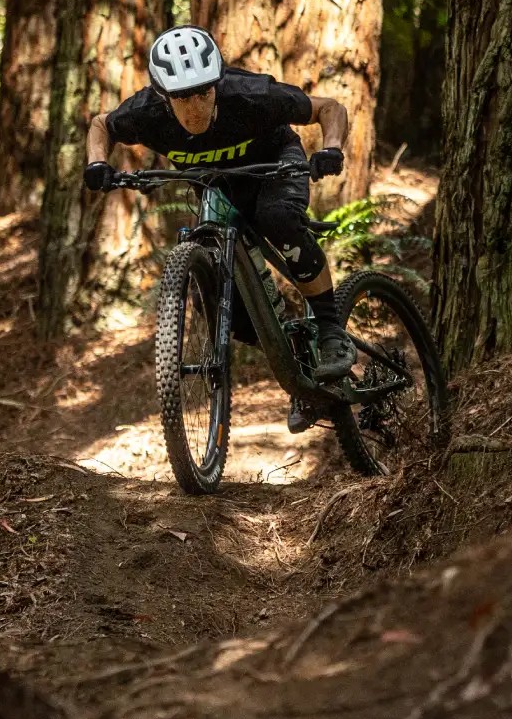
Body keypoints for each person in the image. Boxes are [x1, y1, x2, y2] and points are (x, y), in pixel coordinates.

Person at [83, 25, 354, 430]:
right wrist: (97, 164)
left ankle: (331, 330)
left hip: (273, 168)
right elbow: (100, 124)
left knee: (278, 218)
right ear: (161, 97)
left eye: (204, 93)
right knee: (235, 314)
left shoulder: (251, 95)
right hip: (217, 187)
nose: (194, 108)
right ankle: (300, 366)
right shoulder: (144, 113)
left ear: (218, 84)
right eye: (181, 98)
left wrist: (330, 148)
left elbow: (329, 108)